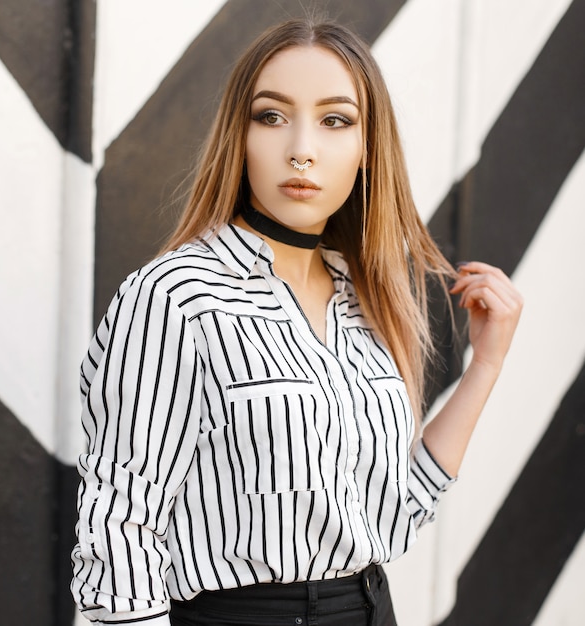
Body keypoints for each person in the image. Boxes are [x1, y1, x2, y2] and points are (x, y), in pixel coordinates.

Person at [71, 18, 522, 626]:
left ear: (367, 150)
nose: (301, 148)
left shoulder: (361, 303)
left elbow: (393, 513)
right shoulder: (176, 296)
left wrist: (485, 366)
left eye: (335, 120)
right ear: (240, 136)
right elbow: (121, 526)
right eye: (272, 116)